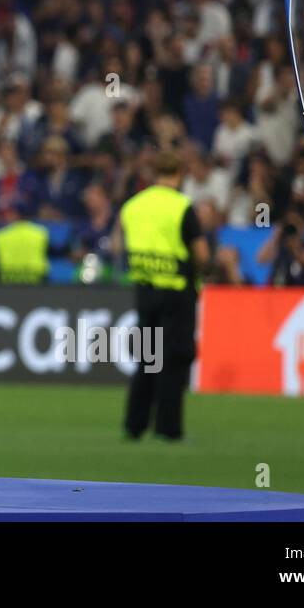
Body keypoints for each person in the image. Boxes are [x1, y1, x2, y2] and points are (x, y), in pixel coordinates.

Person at [117, 150, 207, 441]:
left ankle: (134, 424)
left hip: (144, 291)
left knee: (148, 358)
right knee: (175, 359)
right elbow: (201, 253)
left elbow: (118, 245)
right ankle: (168, 428)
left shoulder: (133, 205)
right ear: (178, 175)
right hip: (177, 292)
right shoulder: (181, 206)